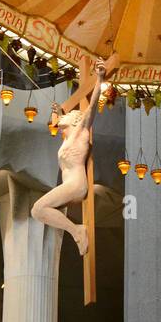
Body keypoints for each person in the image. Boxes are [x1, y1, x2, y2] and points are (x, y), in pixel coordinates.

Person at [31, 61, 106, 256]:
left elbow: (92, 108)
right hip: (69, 185)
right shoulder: (67, 139)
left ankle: (77, 231)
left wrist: (99, 78)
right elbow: (60, 124)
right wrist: (58, 113)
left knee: (37, 209)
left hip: (77, 185)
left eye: (66, 114)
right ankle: (76, 231)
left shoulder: (81, 132)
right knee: (38, 211)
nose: (61, 117)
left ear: (75, 119)